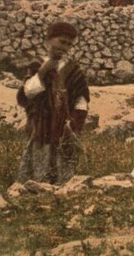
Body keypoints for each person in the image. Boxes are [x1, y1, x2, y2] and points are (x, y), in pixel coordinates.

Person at [15, 20, 90, 185]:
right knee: (39, 160)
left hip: (64, 127)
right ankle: (36, 190)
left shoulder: (73, 70)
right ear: (49, 40)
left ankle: (62, 192)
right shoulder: (37, 66)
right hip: (41, 126)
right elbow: (27, 94)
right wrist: (43, 72)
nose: (64, 47)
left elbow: (81, 100)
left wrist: (75, 122)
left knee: (64, 162)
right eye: (61, 42)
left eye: (69, 44)